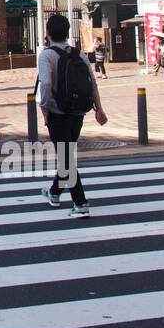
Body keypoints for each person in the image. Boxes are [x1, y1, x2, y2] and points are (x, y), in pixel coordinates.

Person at [37, 14, 107, 217]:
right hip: (78, 111)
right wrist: (99, 109)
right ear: (67, 32)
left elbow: (46, 84)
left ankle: (80, 202)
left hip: (58, 112)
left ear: (48, 32)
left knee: (66, 158)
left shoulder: (47, 55)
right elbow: (92, 82)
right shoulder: (79, 54)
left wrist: (45, 109)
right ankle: (54, 193)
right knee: (66, 155)